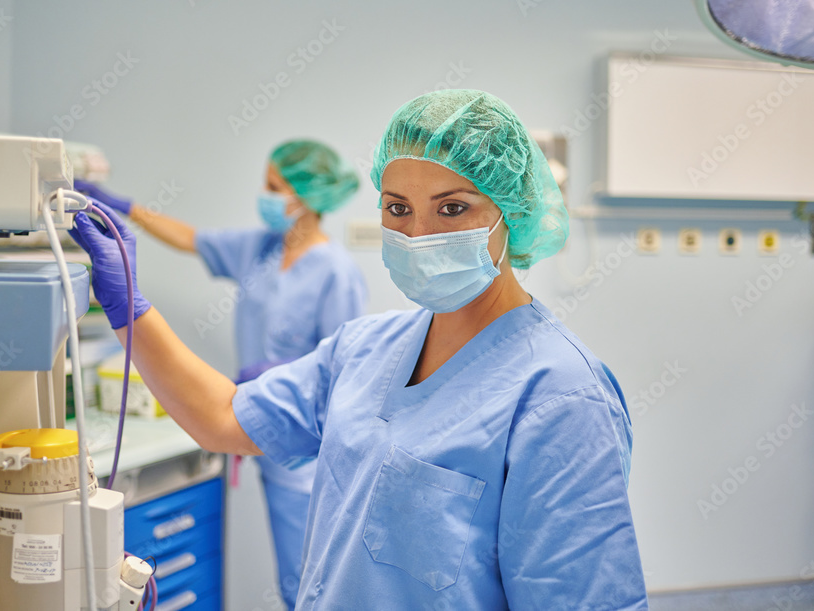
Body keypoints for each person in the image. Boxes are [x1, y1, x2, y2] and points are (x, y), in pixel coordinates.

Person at [70, 89, 649, 609]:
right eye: (398, 208)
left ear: (510, 212)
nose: (417, 234)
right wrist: (130, 311)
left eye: (453, 208)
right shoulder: (368, 348)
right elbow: (223, 418)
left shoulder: (561, 397)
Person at [75, 140, 366, 609]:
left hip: (308, 455)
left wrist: (276, 372)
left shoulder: (337, 271)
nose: (264, 195)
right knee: (292, 574)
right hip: (260, 430)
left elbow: (348, 373)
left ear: (308, 196)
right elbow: (190, 237)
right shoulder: (262, 250)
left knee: (309, 580)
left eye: (274, 187)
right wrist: (123, 207)